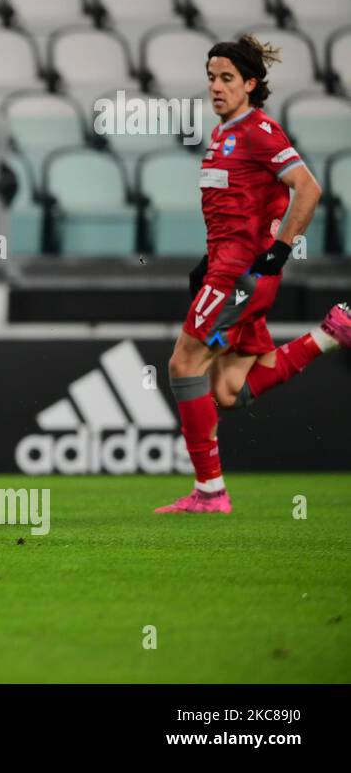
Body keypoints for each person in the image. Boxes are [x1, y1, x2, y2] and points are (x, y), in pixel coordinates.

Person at [159, 34, 350, 514]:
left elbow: (307, 188)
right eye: (211, 78)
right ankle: (329, 335)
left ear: (250, 83)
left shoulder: (259, 131)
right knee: (226, 390)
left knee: (184, 365)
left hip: (241, 276)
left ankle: (209, 493)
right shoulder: (224, 133)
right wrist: (209, 259)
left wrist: (279, 252)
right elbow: (234, 209)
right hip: (229, 269)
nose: (216, 87)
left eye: (227, 79)